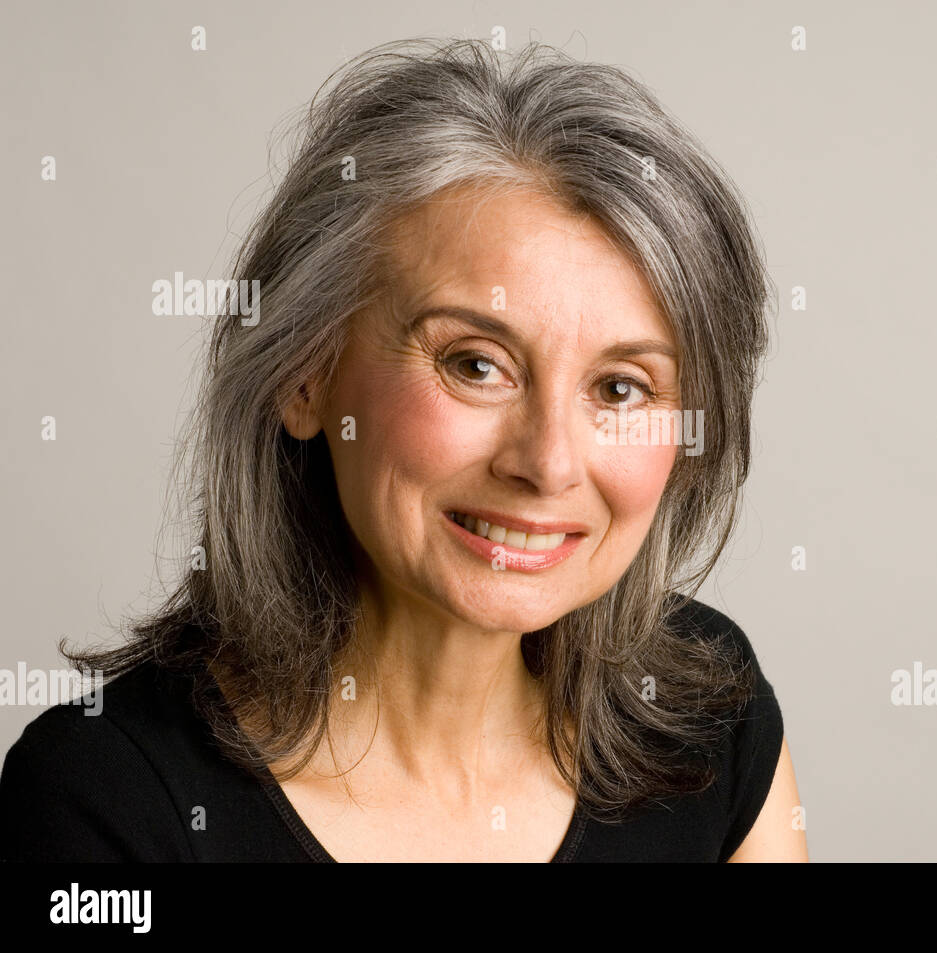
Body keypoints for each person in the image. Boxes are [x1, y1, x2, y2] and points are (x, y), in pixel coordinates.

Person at [0, 37, 806, 862]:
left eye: (621, 388)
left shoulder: (711, 713)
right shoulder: (103, 801)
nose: (550, 463)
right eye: (476, 365)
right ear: (306, 374)